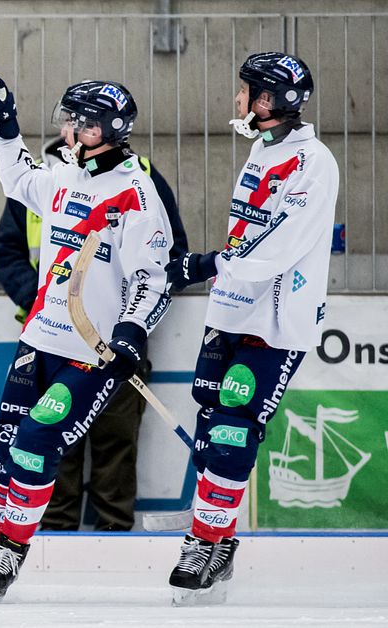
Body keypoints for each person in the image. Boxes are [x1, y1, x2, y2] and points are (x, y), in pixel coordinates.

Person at [0, 74, 174, 602]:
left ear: (97, 128)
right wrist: (5, 128)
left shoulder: (136, 193)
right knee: (4, 454)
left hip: (89, 355)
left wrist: (128, 335)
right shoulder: (65, 174)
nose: (62, 127)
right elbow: (17, 180)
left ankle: (9, 551)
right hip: (38, 341)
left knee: (36, 444)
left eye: (71, 120)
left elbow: (154, 275)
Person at [164, 52, 336, 606]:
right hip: (230, 311)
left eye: (246, 91)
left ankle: (203, 541)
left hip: (276, 321)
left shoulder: (314, 162)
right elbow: (250, 234)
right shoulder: (263, 151)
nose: (238, 99)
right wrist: (218, 274)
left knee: (234, 430)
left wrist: (206, 263)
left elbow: (280, 243)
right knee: (212, 425)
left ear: (267, 100)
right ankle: (221, 542)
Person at [0, 139, 188, 532]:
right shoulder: (46, 174)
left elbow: (168, 257)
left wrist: (129, 326)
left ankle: (114, 530)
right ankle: (52, 531)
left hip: (114, 344)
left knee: (116, 438)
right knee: (46, 439)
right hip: (48, 339)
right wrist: (55, 303)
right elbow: (5, 253)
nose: (71, 131)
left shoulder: (140, 176)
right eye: (69, 123)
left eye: (80, 123)